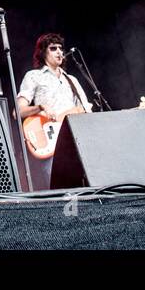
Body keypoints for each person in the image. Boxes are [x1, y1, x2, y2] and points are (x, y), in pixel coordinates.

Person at [17, 33, 93, 189]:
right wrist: (40, 107)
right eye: (53, 48)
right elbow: (18, 111)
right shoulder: (34, 76)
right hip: (50, 142)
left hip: (74, 141)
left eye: (60, 48)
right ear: (43, 52)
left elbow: (86, 109)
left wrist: (77, 111)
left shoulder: (72, 80)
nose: (59, 52)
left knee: (83, 189)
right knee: (57, 191)